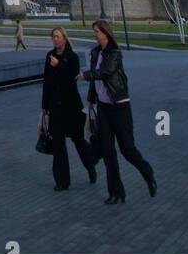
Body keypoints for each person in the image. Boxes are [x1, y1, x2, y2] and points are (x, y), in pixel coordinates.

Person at [80, 19, 156, 205]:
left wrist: (85, 75)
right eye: (94, 31)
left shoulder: (115, 53)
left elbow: (106, 72)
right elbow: (95, 81)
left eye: (97, 31)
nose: (94, 34)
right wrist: (91, 100)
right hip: (104, 108)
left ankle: (148, 173)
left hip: (120, 107)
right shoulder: (95, 52)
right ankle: (116, 192)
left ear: (105, 33)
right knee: (108, 152)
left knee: (127, 149)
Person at [39, 26, 96, 191]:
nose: (56, 40)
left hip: (71, 107)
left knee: (78, 141)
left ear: (64, 39)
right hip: (55, 107)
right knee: (58, 145)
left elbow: (72, 76)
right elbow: (47, 83)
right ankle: (62, 181)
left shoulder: (72, 57)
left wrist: (59, 66)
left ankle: (90, 166)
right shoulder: (49, 56)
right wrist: (44, 106)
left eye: (58, 37)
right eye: (53, 37)